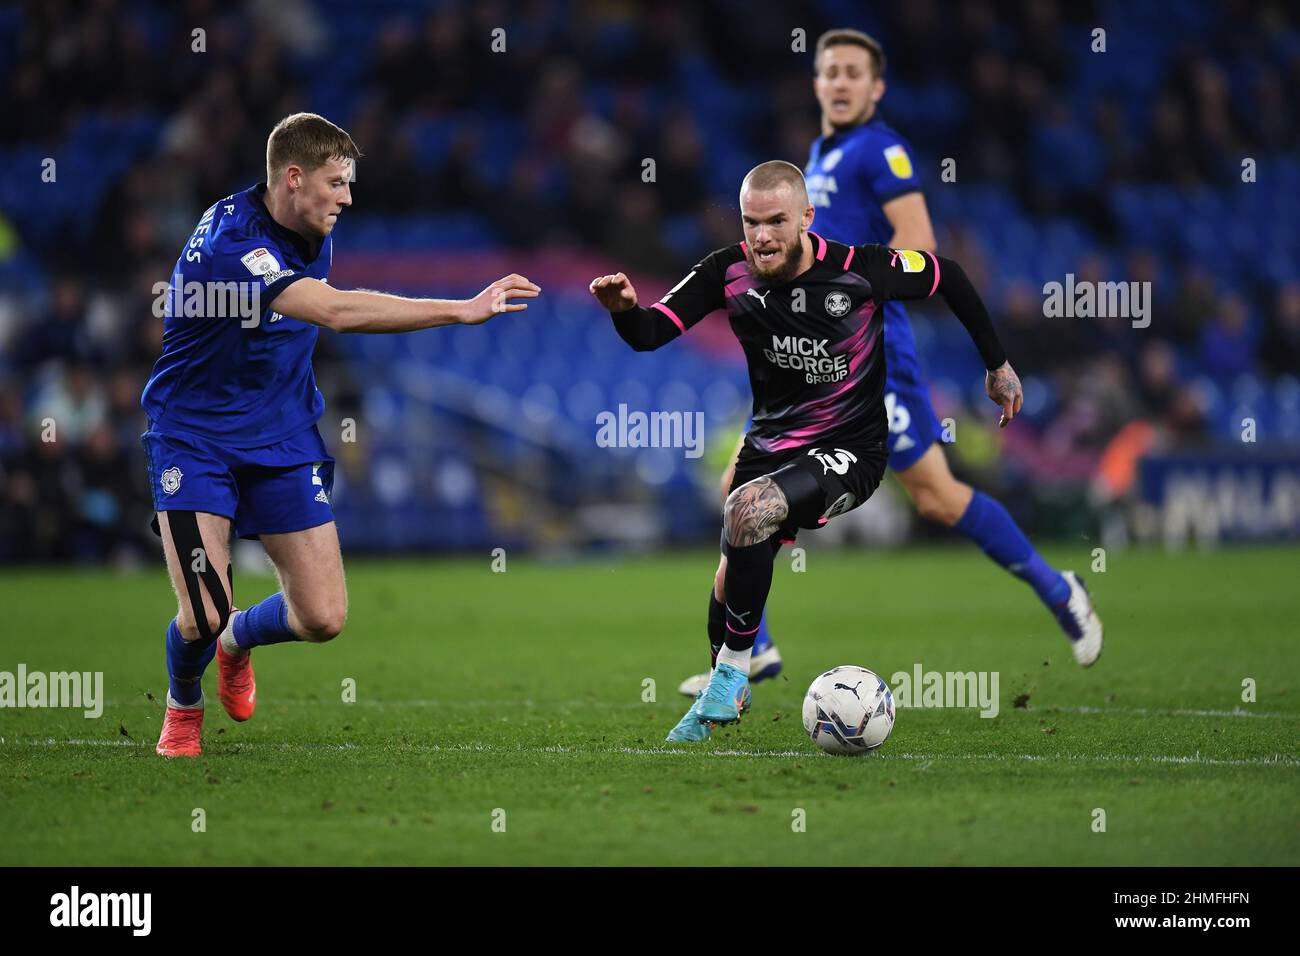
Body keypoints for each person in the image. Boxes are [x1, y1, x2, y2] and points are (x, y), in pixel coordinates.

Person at [590, 161, 1087, 742]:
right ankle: (722, 685)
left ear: (807, 218)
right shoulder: (725, 273)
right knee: (730, 574)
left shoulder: (859, 270)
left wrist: (997, 364)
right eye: (751, 222)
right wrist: (624, 308)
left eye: (777, 221)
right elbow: (650, 334)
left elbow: (947, 275)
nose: (762, 236)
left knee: (747, 511)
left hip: (851, 448)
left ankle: (730, 676)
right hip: (770, 446)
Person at [678, 28, 1103, 701]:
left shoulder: (881, 148)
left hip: (868, 357)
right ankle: (749, 650)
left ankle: (1057, 588)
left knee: (929, 496)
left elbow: (920, 242)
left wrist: (852, 297)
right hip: (822, 354)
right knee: (751, 485)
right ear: (816, 83)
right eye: (831, 72)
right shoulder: (822, 154)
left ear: (877, 88)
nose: (841, 82)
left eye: (855, 73)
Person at [141, 112, 540, 756]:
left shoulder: (309, 225)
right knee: (201, 611)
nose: (348, 199)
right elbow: (332, 312)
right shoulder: (232, 243)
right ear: (293, 179)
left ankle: (237, 640)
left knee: (323, 617)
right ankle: (183, 703)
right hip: (195, 437)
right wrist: (460, 309)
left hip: (282, 434)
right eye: (338, 183)